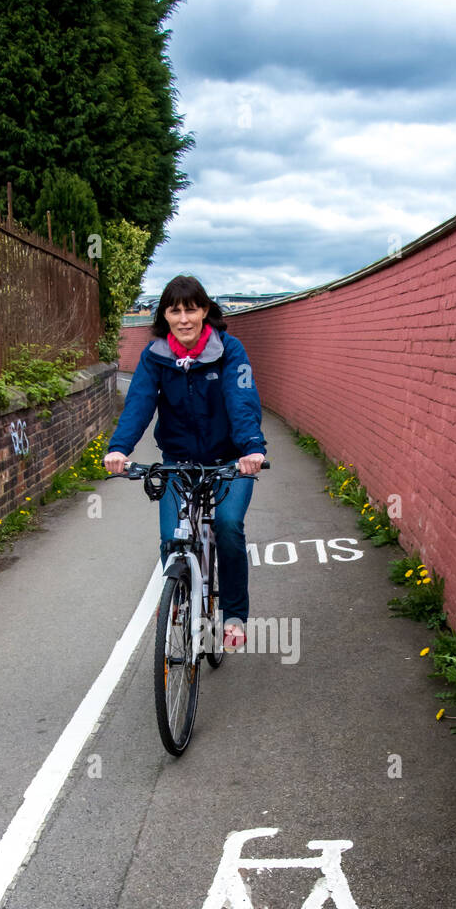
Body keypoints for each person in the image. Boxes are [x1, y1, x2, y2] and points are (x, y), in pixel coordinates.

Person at [104, 275, 266, 652]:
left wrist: (251, 449)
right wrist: (120, 447)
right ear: (164, 315)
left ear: (205, 311)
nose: (184, 318)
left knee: (227, 525)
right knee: (171, 536)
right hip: (178, 460)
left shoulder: (229, 349)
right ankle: (180, 597)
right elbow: (140, 401)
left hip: (230, 459)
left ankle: (234, 616)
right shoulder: (155, 355)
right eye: (174, 310)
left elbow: (240, 398)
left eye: (191, 309)